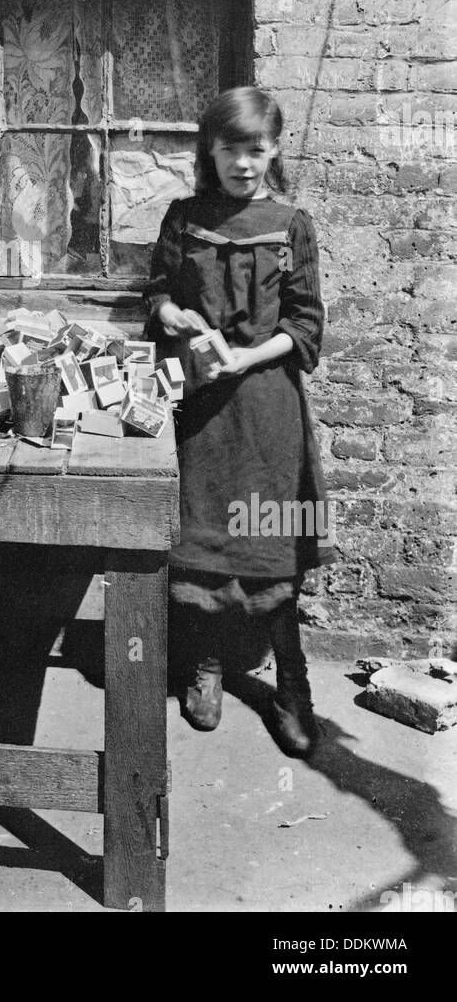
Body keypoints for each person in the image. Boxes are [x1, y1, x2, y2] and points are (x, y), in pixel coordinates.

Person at [143, 88, 333, 759]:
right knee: (199, 540)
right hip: (200, 407)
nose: (243, 164)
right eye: (231, 150)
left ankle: (291, 683)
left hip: (266, 409)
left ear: (273, 150)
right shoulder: (184, 218)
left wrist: (247, 356)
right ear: (211, 151)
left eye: (256, 150)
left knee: (269, 543)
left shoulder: (291, 225)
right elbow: (157, 293)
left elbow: (305, 325)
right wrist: (173, 317)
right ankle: (207, 664)